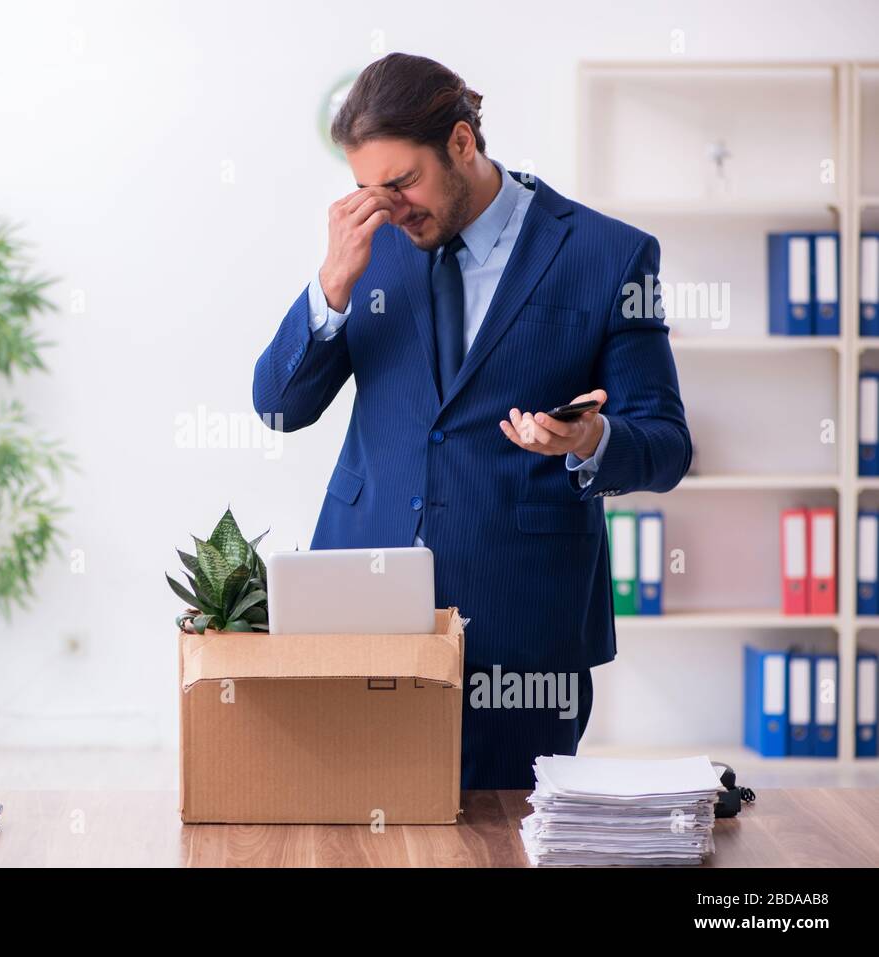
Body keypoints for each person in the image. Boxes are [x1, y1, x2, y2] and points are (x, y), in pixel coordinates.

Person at [252, 53, 691, 789]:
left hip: (523, 626)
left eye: (402, 183)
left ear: (462, 143)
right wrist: (330, 287)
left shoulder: (609, 255)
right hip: (362, 609)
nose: (389, 206)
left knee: (508, 839)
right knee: (350, 831)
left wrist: (590, 441)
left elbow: (667, 444)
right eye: (366, 188)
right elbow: (278, 408)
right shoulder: (367, 248)